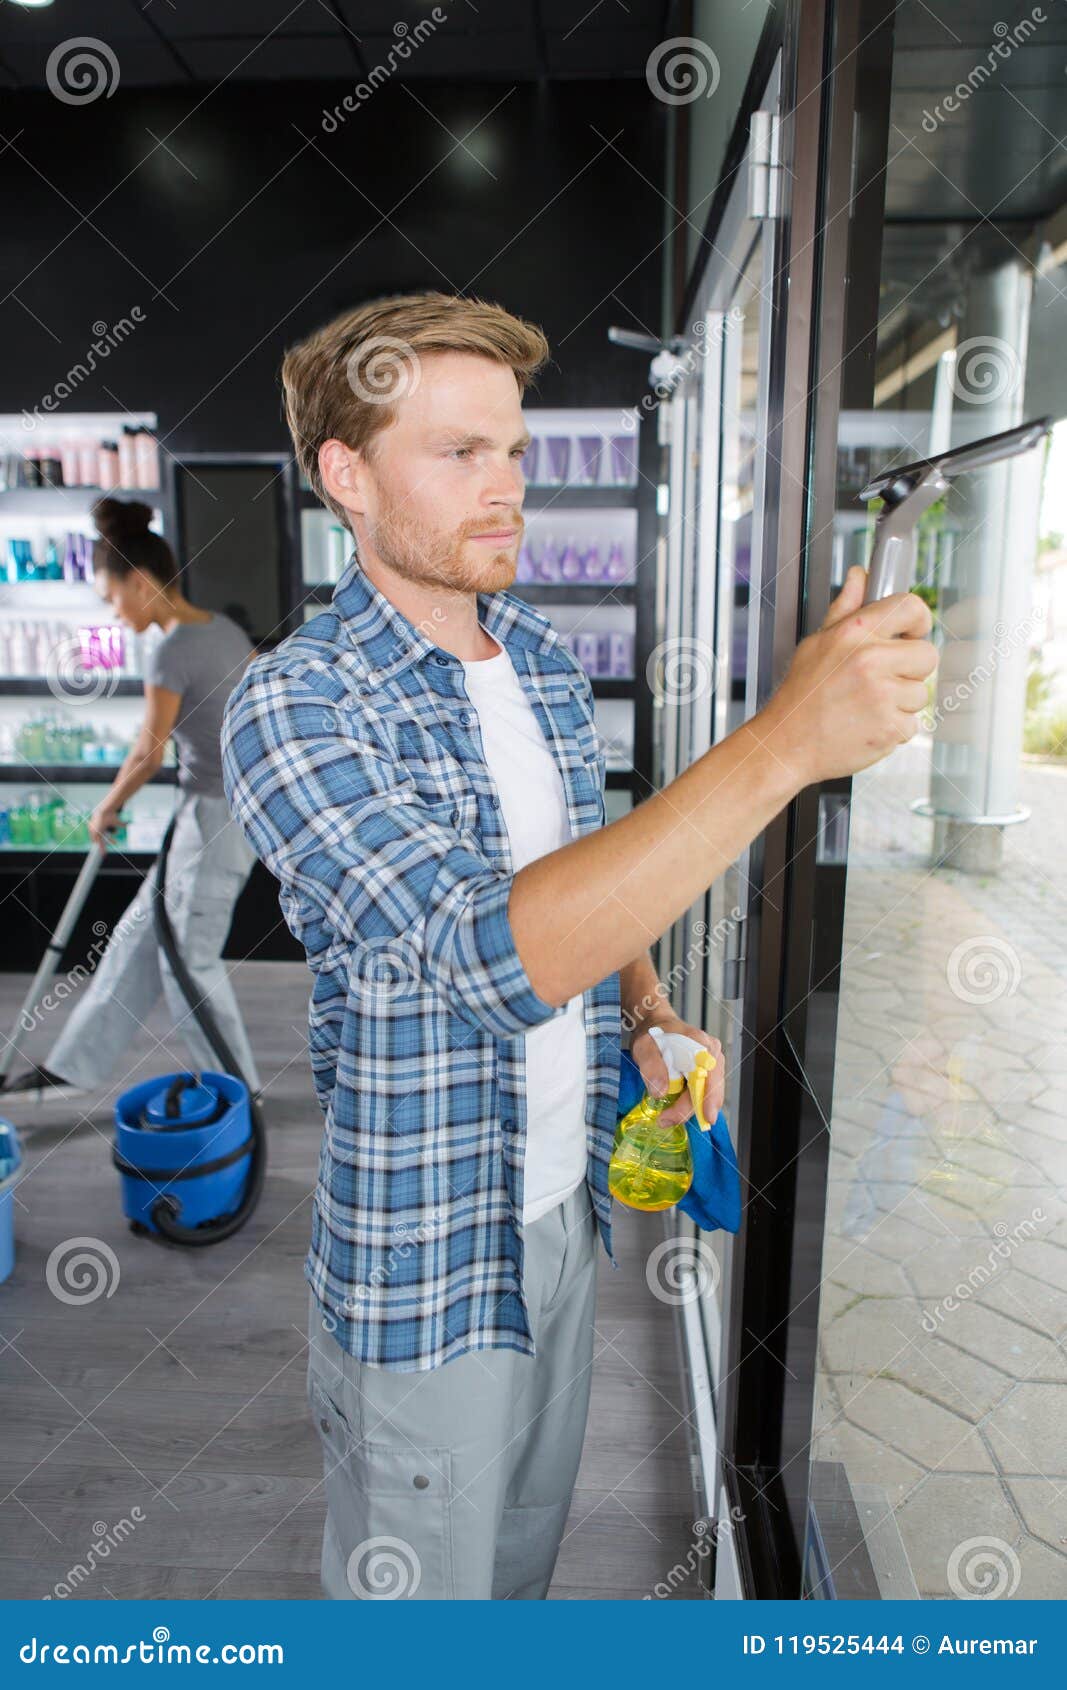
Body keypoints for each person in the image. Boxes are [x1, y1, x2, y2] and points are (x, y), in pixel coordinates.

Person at [220, 290, 937, 1601]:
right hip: (424, 1257)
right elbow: (479, 953)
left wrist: (647, 1002)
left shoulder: (541, 655)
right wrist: (781, 742)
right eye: (457, 453)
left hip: (561, 1223)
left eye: (514, 450)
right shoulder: (294, 701)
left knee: (519, 1570)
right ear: (346, 475)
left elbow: (575, 881)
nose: (505, 490)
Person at [3, 496, 261, 1104]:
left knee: (188, 959)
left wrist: (106, 807)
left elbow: (148, 752)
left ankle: (238, 1088)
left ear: (140, 583)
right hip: (213, 815)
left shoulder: (171, 651)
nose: (114, 614)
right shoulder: (222, 628)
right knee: (138, 939)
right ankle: (74, 1067)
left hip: (217, 821)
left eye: (111, 597)